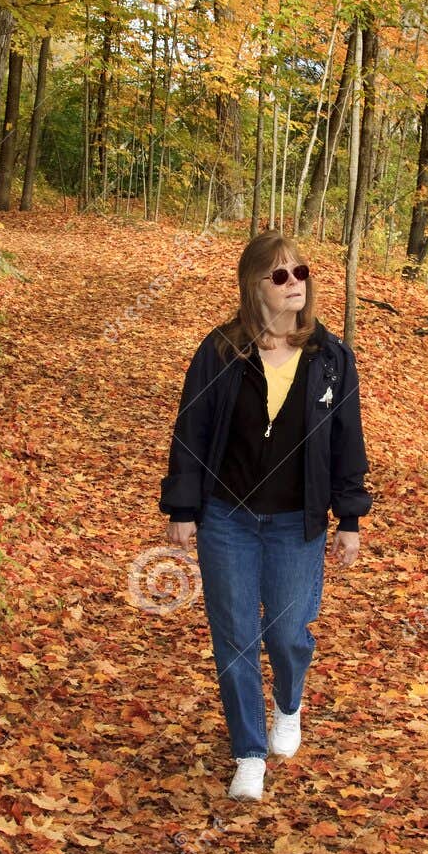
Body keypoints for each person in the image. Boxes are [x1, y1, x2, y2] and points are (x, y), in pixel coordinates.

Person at [160, 230, 373, 801]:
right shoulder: (221, 351)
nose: (294, 284)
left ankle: (289, 702)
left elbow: (348, 442)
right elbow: (192, 431)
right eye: (279, 276)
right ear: (253, 287)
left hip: (295, 522)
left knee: (287, 634)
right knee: (233, 638)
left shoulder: (331, 358)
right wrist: (182, 507)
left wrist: (349, 518)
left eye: (300, 272)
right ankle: (248, 753)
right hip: (226, 517)